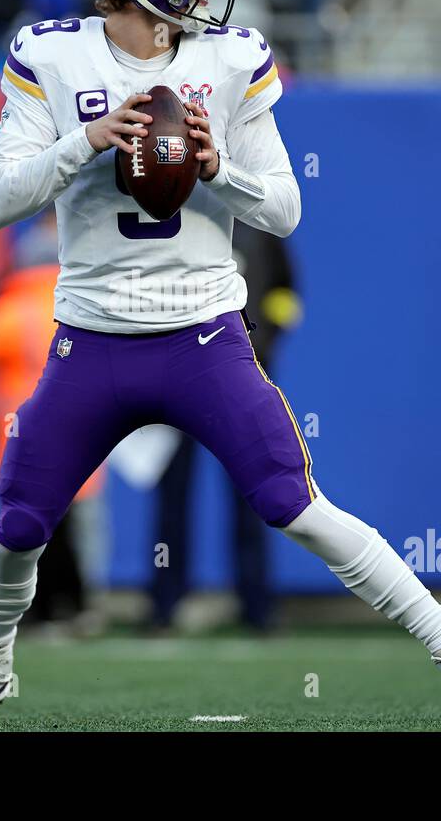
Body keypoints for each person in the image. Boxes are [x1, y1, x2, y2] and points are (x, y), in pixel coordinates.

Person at [0, 0, 441, 723]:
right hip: (93, 336)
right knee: (22, 513)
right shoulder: (54, 55)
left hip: (202, 332)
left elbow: (283, 208)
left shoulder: (231, 57)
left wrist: (220, 169)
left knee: (295, 502)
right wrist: (83, 142)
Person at [148, 221, 301, 633]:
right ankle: (164, 606)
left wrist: (264, 343)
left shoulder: (260, 227)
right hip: (179, 378)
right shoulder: (176, 222)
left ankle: (257, 607)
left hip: (241, 380)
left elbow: (286, 292)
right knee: (171, 494)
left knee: (253, 495)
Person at [0, 211, 105, 630]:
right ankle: (82, 606)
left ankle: (27, 608)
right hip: (79, 425)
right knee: (80, 524)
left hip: (20, 428)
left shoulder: (10, 305)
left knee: (26, 523)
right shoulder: (81, 300)